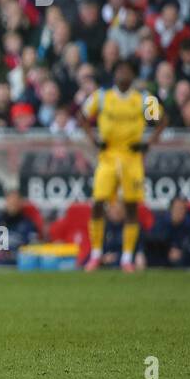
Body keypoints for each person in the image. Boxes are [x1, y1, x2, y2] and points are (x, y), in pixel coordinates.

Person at [81, 58, 165, 271]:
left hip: (131, 157)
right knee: (98, 202)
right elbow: (82, 115)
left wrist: (149, 143)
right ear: (114, 74)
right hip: (108, 156)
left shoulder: (143, 99)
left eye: (127, 71)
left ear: (133, 75)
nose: (122, 75)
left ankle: (127, 257)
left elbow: (161, 120)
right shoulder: (102, 97)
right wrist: (92, 139)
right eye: (119, 70)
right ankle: (96, 254)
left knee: (131, 206)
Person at [147, 197, 190, 268]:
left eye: (183, 209)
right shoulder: (161, 222)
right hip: (162, 257)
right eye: (177, 208)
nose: (180, 212)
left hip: (183, 257)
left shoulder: (189, 224)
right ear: (171, 209)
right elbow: (152, 240)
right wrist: (168, 249)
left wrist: (182, 252)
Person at [0, 189, 39, 264]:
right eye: (11, 201)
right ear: (6, 202)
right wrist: (2, 253)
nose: (13, 204)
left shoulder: (28, 224)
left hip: (21, 261)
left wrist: (18, 253)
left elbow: (33, 246)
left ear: (21, 203)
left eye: (16, 201)